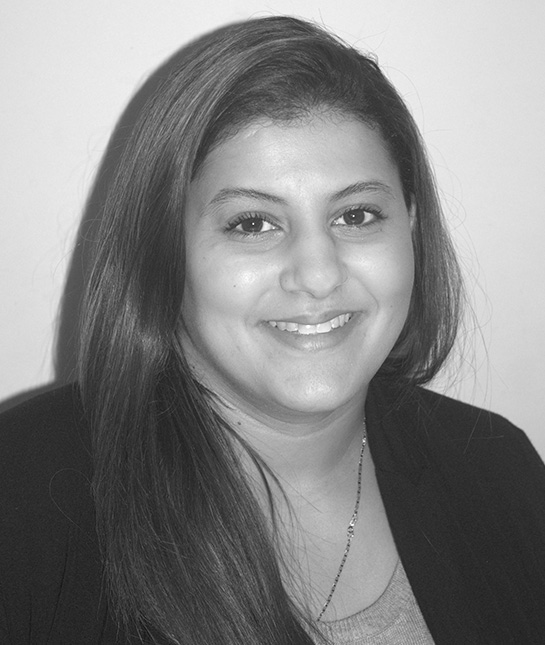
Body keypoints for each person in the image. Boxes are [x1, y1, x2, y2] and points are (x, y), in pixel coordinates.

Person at [1, 15, 544, 645]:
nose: (318, 274)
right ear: (163, 253)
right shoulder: (22, 499)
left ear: (412, 229)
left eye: (356, 215)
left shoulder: (498, 470)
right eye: (252, 224)